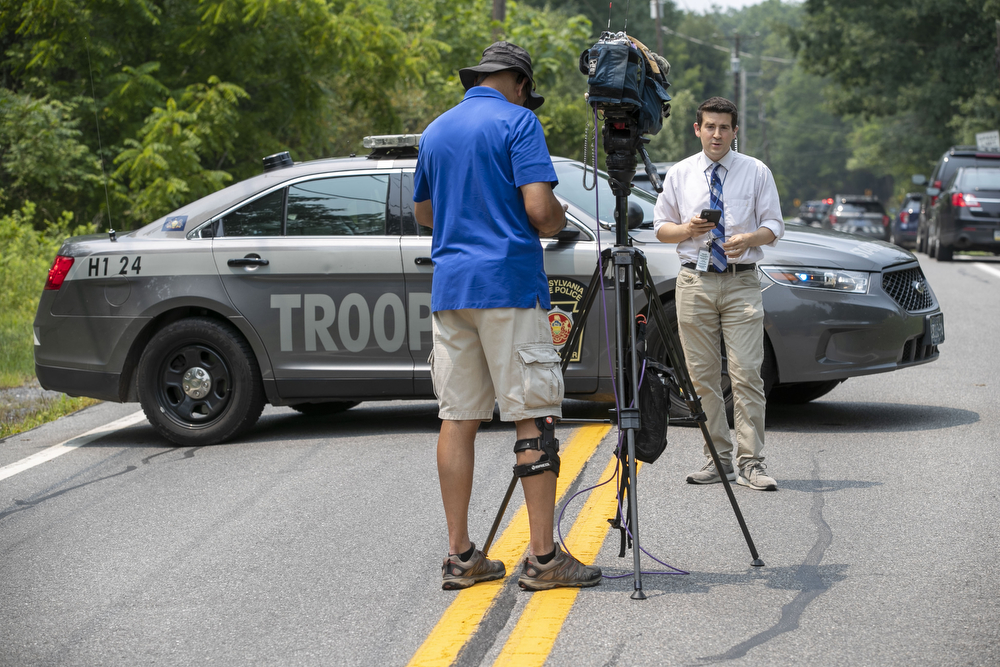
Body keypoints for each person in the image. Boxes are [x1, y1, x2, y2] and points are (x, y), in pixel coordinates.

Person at [413, 42, 603, 591]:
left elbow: (425, 214)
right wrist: (558, 213)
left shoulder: (436, 130)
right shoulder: (519, 124)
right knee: (534, 414)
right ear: (519, 83)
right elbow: (542, 214)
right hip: (509, 286)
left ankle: (460, 557)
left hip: (453, 290)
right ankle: (544, 560)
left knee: (458, 417)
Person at [652, 96, 784, 491]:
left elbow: (775, 225)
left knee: (746, 374)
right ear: (697, 129)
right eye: (709, 126)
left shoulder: (756, 171)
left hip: (741, 281)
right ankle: (717, 460)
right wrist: (688, 230)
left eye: (724, 127)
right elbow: (662, 228)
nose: (716, 134)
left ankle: (752, 463)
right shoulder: (680, 173)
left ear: (735, 131)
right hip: (694, 281)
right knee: (703, 378)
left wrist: (749, 239)